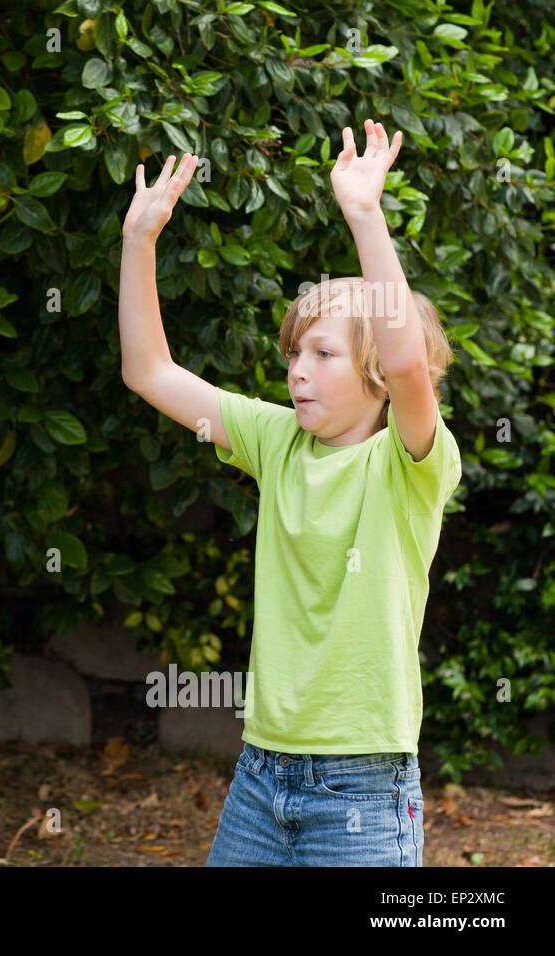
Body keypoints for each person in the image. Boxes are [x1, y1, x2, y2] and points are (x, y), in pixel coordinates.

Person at [119, 120, 462, 866]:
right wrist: (140, 242)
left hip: (363, 793)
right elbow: (149, 372)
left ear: (373, 376)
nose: (296, 370)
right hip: (261, 773)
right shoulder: (276, 441)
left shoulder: (411, 466)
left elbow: (409, 365)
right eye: (292, 354)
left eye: (322, 353)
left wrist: (365, 215)